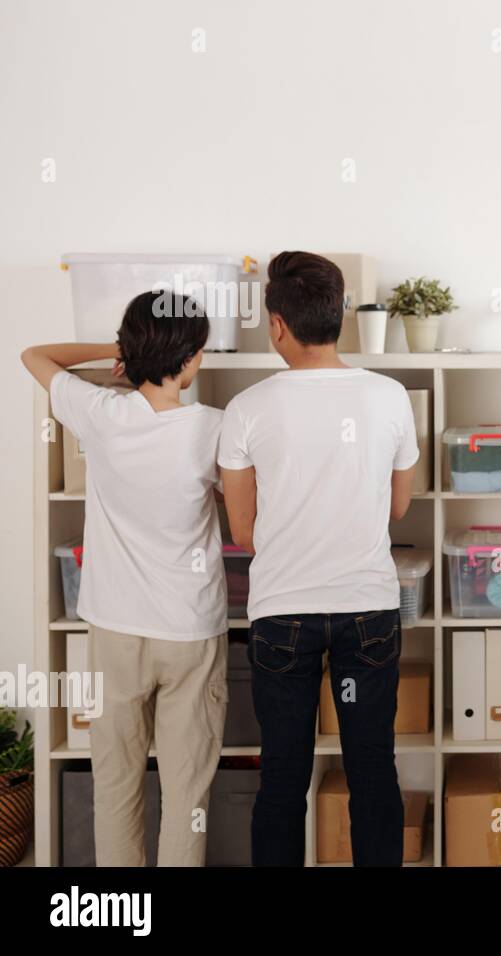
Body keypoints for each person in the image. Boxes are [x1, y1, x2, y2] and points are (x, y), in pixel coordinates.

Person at [219, 252, 418, 866]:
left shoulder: (246, 409)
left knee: (281, 779)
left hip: (283, 618)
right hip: (368, 615)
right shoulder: (388, 397)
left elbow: (245, 528)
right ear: (342, 316)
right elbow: (398, 508)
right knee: (372, 774)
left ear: (277, 324)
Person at [21, 291, 227, 866]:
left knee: (115, 783)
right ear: (192, 359)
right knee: (187, 792)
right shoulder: (213, 428)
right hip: (189, 631)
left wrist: (119, 351)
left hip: (114, 632)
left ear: (130, 351)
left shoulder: (100, 413)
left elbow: (35, 355)